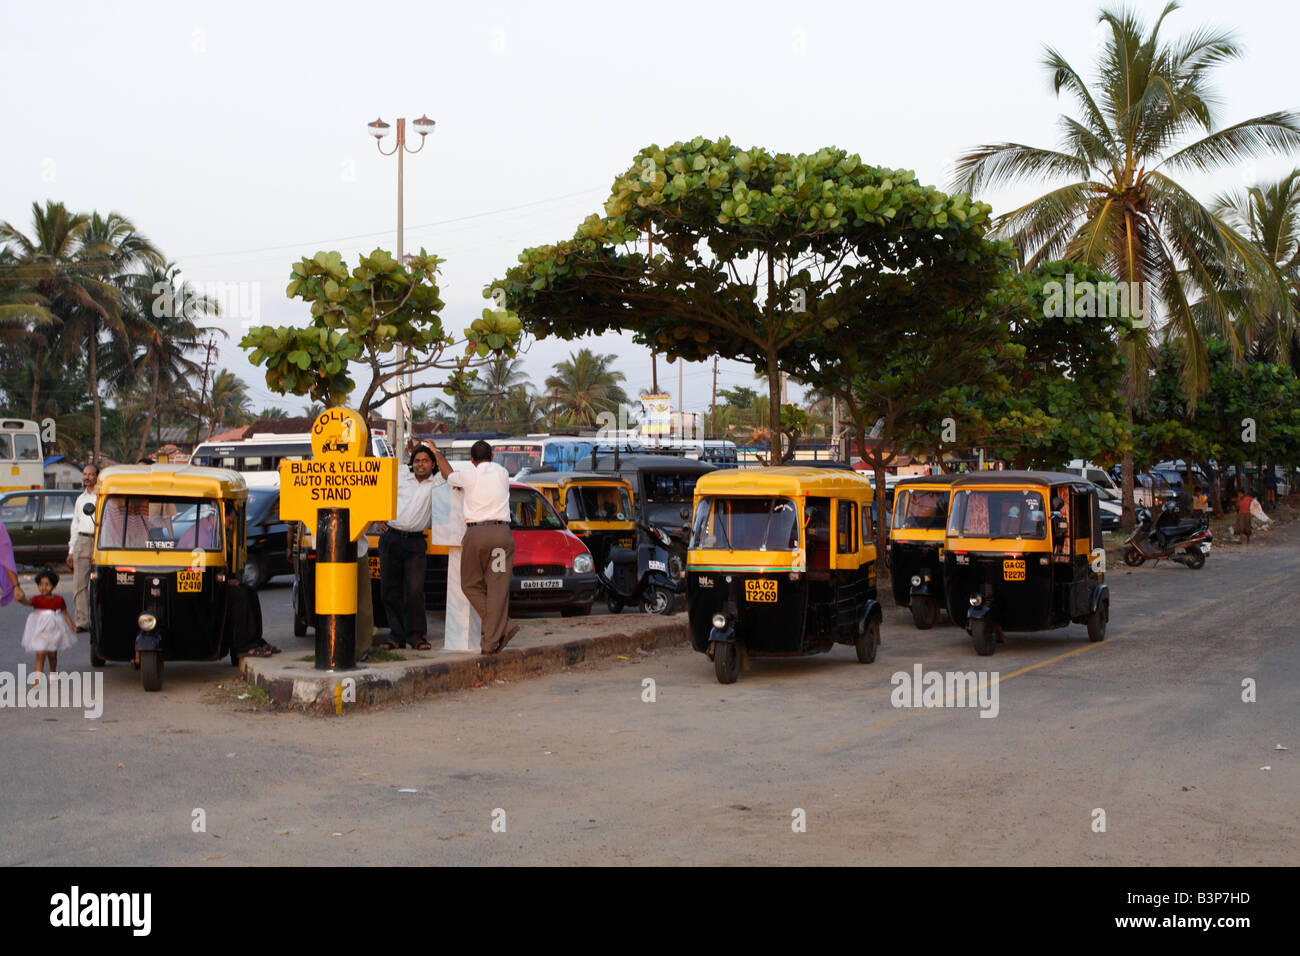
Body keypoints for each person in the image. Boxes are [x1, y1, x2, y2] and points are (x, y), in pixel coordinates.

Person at [442, 440, 518, 655]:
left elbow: (448, 475)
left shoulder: (468, 474)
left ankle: (500, 629)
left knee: (470, 584)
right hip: (502, 534)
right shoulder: (502, 472)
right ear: (492, 456)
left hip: (478, 534)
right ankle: (492, 639)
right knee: (498, 589)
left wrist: (437, 454)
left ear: (471, 460)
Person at [376, 444, 447, 650]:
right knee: (389, 590)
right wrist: (377, 517)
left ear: (432, 463)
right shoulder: (399, 476)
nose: (420, 464)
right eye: (417, 461)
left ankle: (416, 636)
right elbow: (378, 490)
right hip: (390, 538)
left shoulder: (437, 482)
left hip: (416, 542)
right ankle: (396, 637)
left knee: (415, 590)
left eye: (425, 460)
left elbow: (449, 473)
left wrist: (435, 450)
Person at [18, 567, 76, 686]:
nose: (43, 587)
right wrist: (21, 599)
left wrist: (71, 626)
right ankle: (38, 678)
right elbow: (28, 603)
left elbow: (64, 613)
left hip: (54, 630)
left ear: (53, 586)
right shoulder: (36, 599)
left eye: (47, 584)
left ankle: (53, 674)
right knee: (40, 653)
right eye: (40, 584)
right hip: (40, 629)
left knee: (52, 655)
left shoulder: (59, 599)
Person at [65, 462, 99, 632]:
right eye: (85, 474)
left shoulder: (102, 497)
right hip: (82, 542)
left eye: (90, 474)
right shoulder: (81, 499)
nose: (86, 477)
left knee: (100, 584)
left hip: (100, 542)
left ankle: (100, 620)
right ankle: (82, 622)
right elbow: (75, 526)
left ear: (96, 477)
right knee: (79, 585)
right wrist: (71, 550)